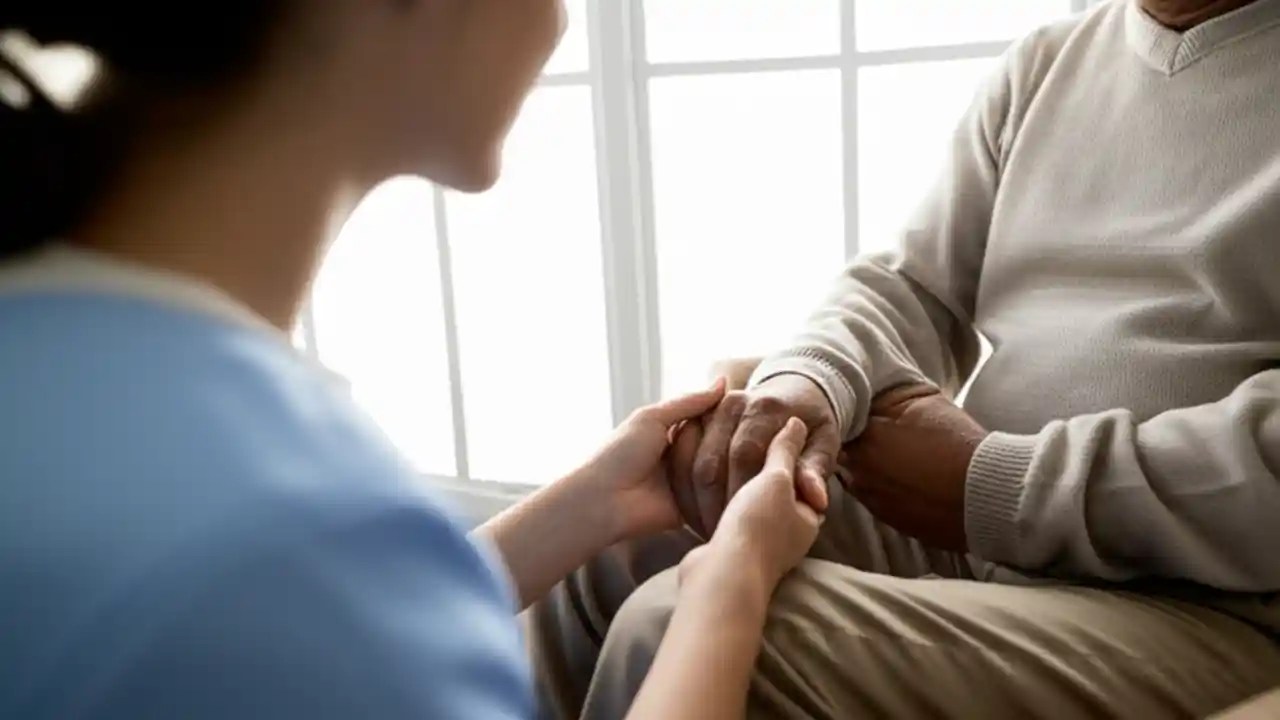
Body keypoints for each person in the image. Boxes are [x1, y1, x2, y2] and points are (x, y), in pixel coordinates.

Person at [0, 3, 829, 719]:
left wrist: (589, 505)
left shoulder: (64, 352)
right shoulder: (293, 522)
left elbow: (292, 637)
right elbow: (301, 595)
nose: (561, 20)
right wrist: (733, 583)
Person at [529, 0, 1280, 717]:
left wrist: (990, 488)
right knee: (619, 539)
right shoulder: (1047, 65)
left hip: (1207, 602)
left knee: (680, 627)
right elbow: (911, 286)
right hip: (983, 534)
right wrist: (809, 382)